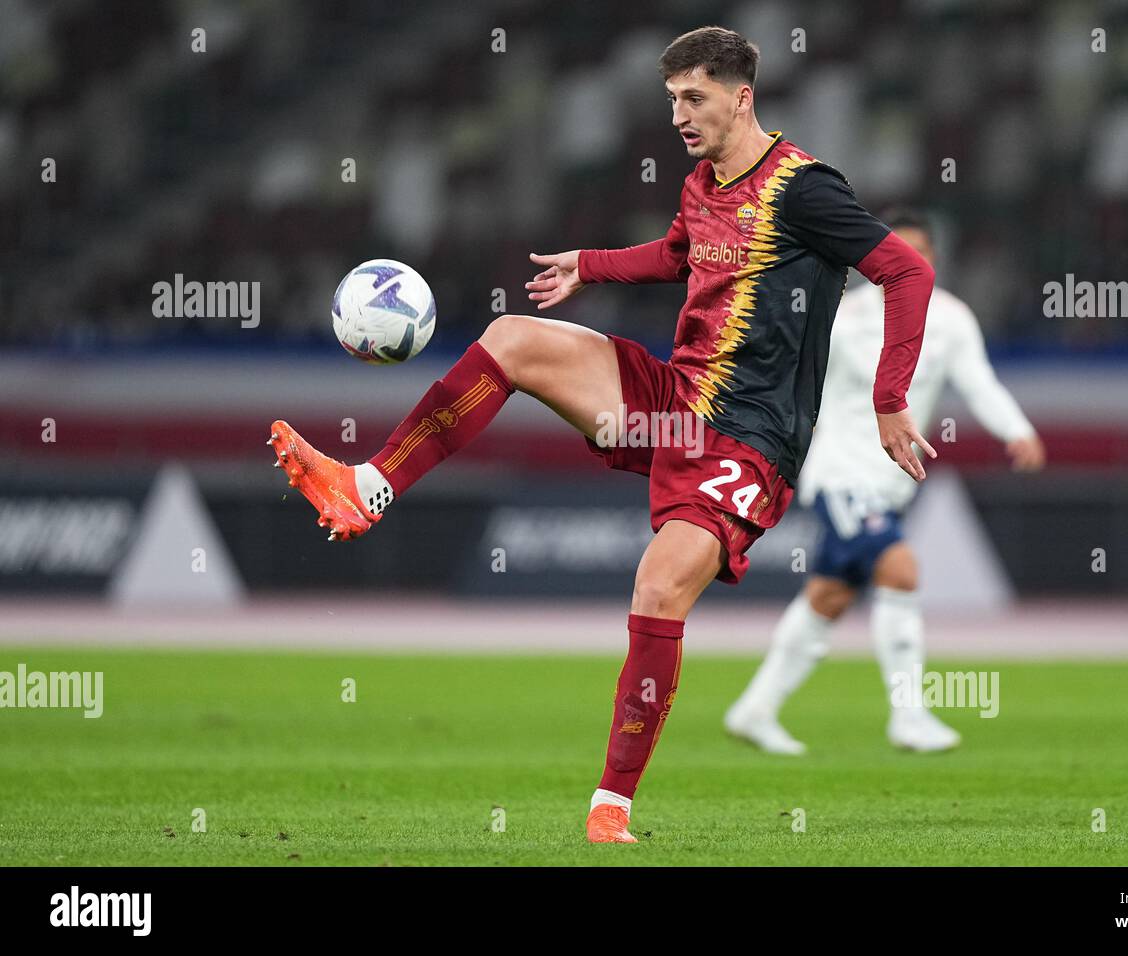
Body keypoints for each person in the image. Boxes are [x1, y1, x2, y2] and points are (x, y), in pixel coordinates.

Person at [267, 27, 935, 843]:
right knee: (511, 339)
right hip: (671, 403)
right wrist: (592, 264)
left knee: (656, 593)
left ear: (741, 97)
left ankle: (610, 806)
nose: (681, 116)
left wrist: (889, 400)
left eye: (694, 99)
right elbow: (679, 254)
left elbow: (908, 270)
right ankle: (366, 487)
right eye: (672, 102)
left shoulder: (803, 190)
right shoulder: (703, 183)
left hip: (748, 443)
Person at [725, 210, 1044, 755]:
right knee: (900, 567)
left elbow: (979, 384)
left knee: (829, 594)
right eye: (895, 252)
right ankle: (909, 715)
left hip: (891, 482)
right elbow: (798, 388)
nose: (906, 262)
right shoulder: (842, 318)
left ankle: (755, 710)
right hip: (842, 473)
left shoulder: (951, 320)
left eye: (918, 252)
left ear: (934, 260)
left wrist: (1017, 430)